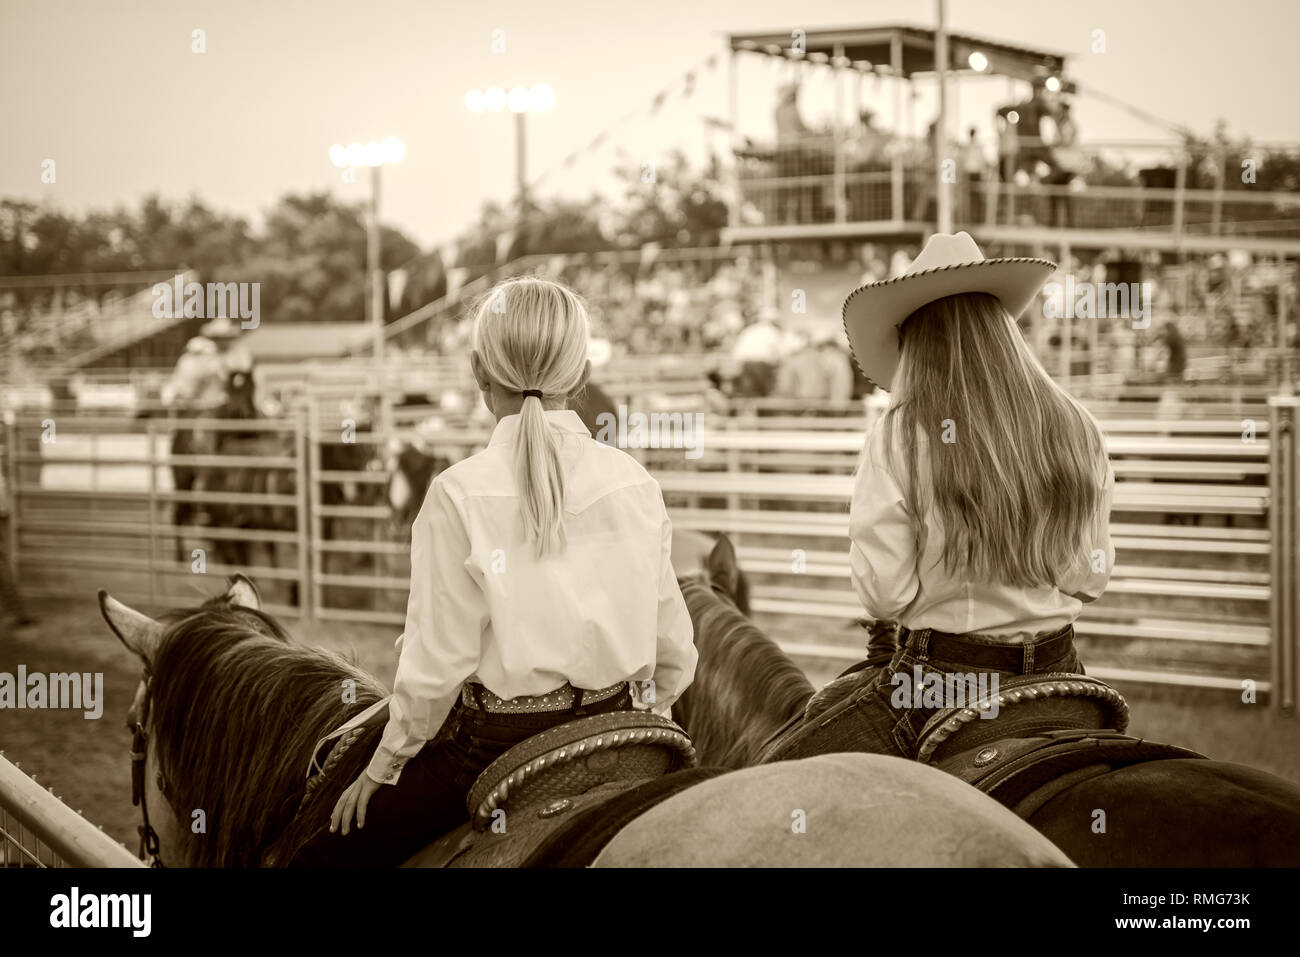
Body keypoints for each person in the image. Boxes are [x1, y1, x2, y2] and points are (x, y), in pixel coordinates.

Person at [291, 277, 698, 867]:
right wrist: (648, 714)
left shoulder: (458, 493)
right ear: (580, 375)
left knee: (318, 863)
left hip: (492, 748)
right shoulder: (635, 483)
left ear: (479, 372)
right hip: (622, 726)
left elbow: (437, 667)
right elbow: (674, 649)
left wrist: (383, 767)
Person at [771, 231, 1114, 758]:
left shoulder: (900, 435)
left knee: (779, 768)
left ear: (918, 342)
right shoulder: (1075, 424)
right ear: (1002, 329)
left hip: (941, 681)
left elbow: (885, 596)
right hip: (1057, 668)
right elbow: (1087, 579)